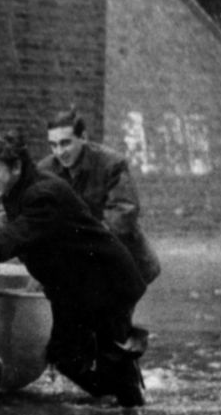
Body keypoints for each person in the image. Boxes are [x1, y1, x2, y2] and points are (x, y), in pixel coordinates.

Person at [0, 131, 147, 408]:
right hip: (74, 287)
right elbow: (9, 234)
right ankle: (115, 400)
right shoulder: (21, 190)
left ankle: (130, 411)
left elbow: (9, 242)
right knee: (64, 356)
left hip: (106, 285)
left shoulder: (43, 194)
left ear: (16, 167)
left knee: (107, 356)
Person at [40, 108, 161, 286]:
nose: (59, 152)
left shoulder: (111, 164)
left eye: (65, 143)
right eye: (53, 145)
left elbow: (123, 214)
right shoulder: (46, 169)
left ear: (83, 137)